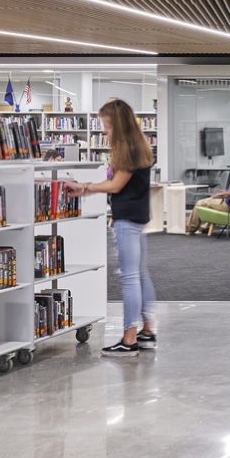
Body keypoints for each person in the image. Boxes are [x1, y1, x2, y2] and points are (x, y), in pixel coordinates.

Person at [65, 99, 156, 358]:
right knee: (139, 273)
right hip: (138, 214)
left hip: (126, 216)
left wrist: (86, 187)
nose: (104, 131)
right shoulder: (139, 144)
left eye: (105, 125)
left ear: (116, 123)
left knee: (129, 276)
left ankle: (129, 338)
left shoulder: (126, 147)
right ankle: (147, 331)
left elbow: (115, 186)